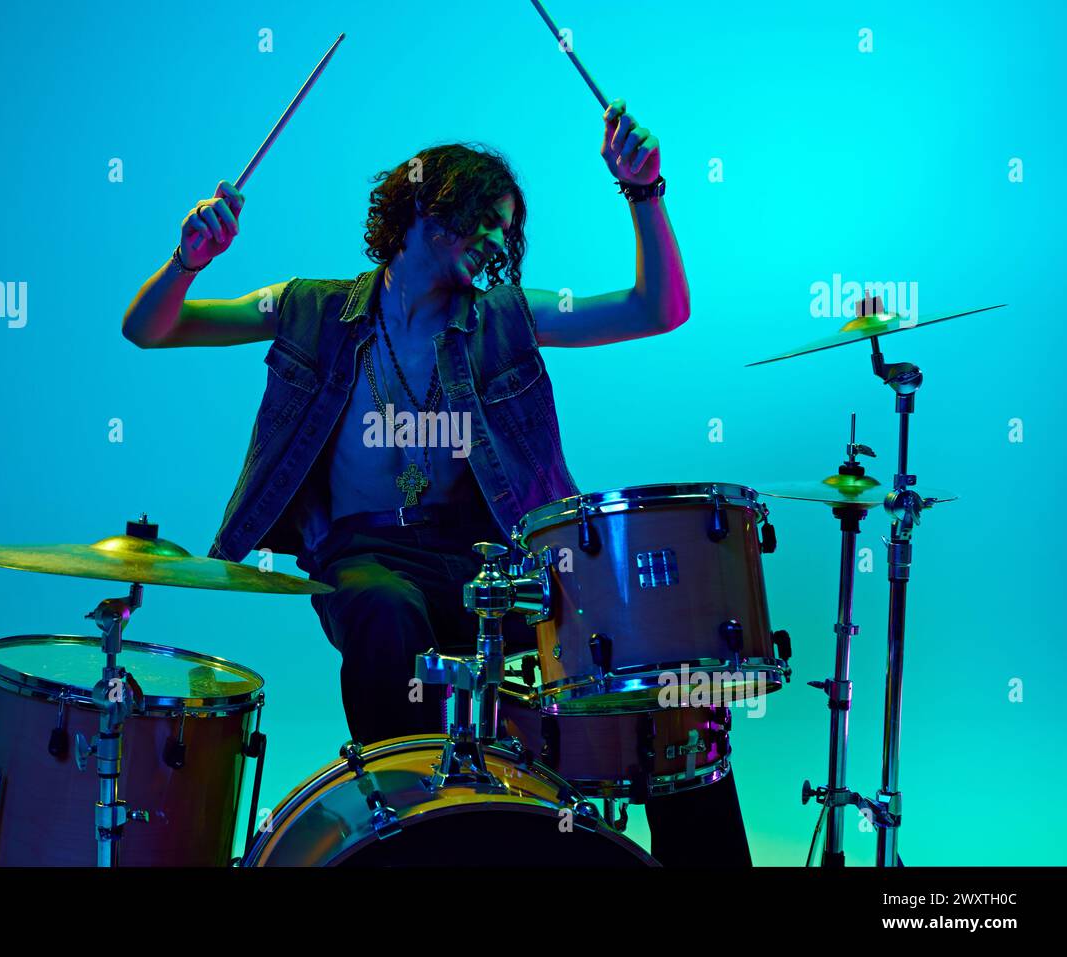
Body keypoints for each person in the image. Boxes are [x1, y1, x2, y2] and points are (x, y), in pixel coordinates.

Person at [121, 100, 749, 866]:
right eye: (481, 217)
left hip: (490, 561)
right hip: (369, 554)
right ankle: (418, 836)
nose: (493, 238)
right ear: (423, 207)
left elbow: (660, 308)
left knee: (663, 664)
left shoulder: (507, 318)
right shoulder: (308, 309)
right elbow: (149, 326)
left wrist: (644, 191)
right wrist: (189, 260)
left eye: (504, 226)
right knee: (386, 611)